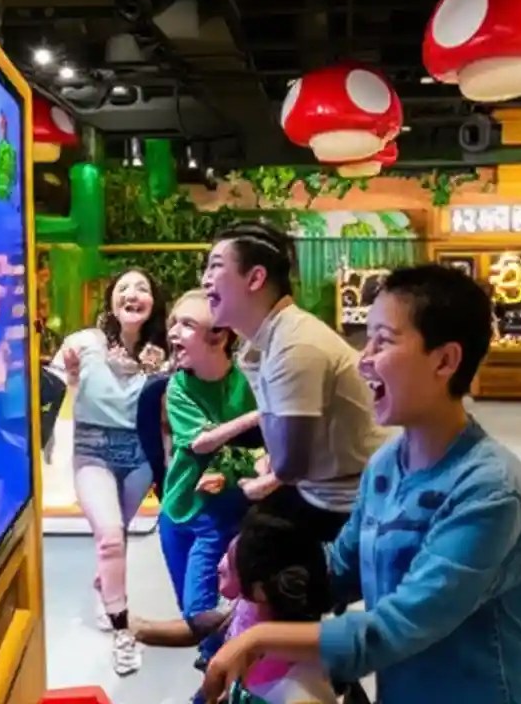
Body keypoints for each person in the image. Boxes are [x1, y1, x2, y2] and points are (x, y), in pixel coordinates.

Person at [201, 264, 521, 704]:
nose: (364, 358)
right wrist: (255, 578)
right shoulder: (386, 465)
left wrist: (261, 638)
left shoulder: (490, 490)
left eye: (383, 341)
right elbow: (341, 569)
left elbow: (399, 628)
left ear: (445, 360)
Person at [200, 221, 387, 544]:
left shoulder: (294, 345)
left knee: (239, 536)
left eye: (215, 267)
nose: (205, 281)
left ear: (255, 278)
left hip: (356, 501)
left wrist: (263, 476)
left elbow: (289, 465)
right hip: (324, 488)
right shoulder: (266, 341)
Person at [46, 267, 170, 676]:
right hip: (93, 451)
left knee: (114, 536)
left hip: (140, 453)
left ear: (153, 301)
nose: (133, 294)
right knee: (112, 536)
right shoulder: (85, 343)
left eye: (142, 287)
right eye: (123, 288)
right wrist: (68, 374)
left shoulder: (164, 351)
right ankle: (124, 629)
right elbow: (51, 386)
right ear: (111, 301)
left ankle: (105, 586)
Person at [158, 289, 278, 670]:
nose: (174, 332)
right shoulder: (178, 386)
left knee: (201, 610)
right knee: (199, 623)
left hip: (226, 513)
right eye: (173, 323)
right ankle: (222, 666)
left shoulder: (249, 380)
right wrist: (258, 416)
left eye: (187, 324)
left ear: (220, 335)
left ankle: (226, 670)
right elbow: (200, 441)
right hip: (179, 510)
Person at [134, 512, 338, 704]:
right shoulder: (248, 605)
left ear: (261, 590)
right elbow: (200, 627)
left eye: (232, 560)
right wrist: (138, 628)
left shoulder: (300, 690)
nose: (220, 563)